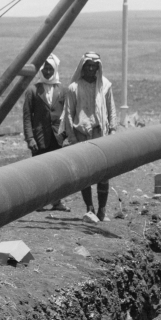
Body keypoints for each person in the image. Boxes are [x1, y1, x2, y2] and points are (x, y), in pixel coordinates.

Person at [59, 51, 118, 221]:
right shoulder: (74, 88)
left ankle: (102, 210)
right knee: (85, 174)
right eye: (88, 66)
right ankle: (89, 208)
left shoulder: (105, 86)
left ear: (98, 67)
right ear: (83, 67)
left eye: (94, 66)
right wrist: (72, 137)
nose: (91, 69)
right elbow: (69, 114)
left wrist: (113, 131)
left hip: (101, 134)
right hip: (81, 135)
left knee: (104, 173)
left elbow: (111, 109)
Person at [22, 54, 68, 211]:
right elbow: (27, 117)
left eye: (51, 68)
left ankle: (57, 202)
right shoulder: (33, 90)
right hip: (39, 138)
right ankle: (39, 202)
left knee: (58, 170)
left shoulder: (62, 90)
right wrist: (30, 138)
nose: (48, 71)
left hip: (57, 137)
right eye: (45, 68)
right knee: (39, 171)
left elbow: (66, 114)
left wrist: (64, 135)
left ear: (55, 69)